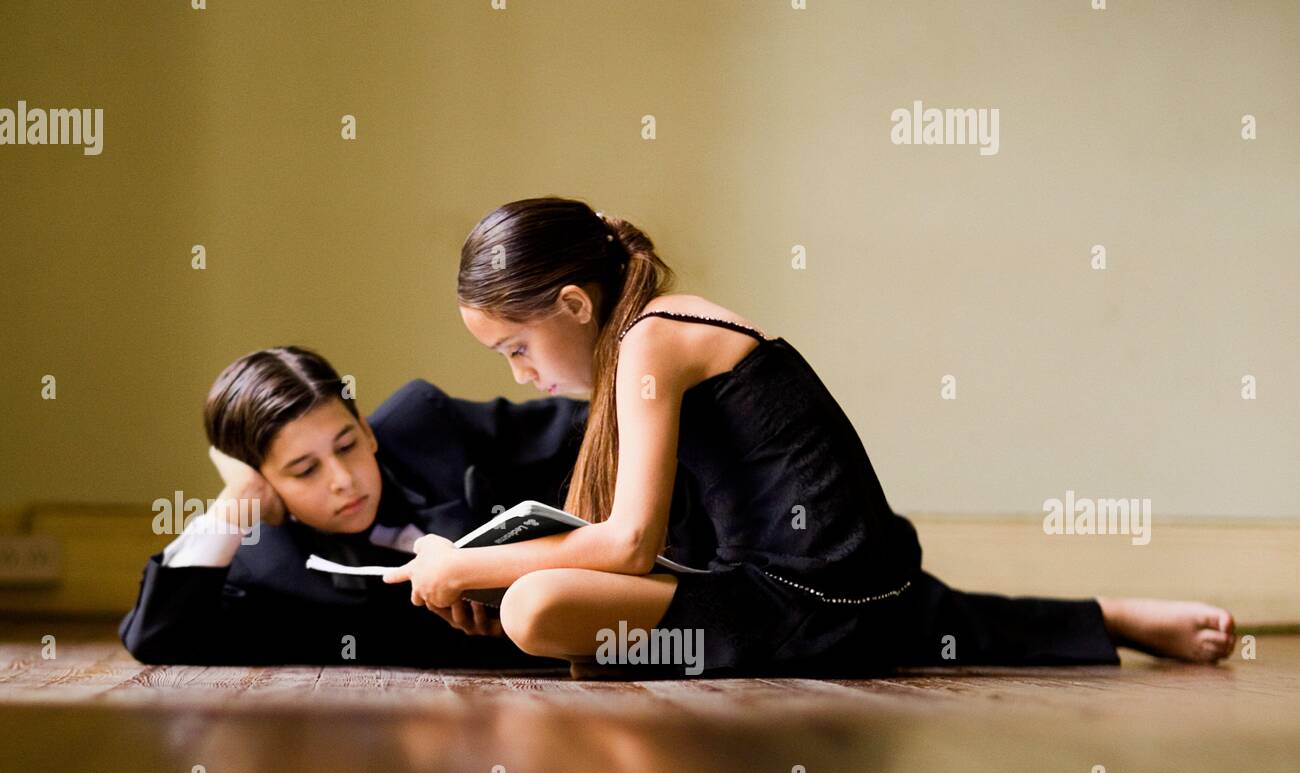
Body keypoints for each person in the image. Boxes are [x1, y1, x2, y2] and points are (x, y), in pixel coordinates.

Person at [383, 197, 1237, 677]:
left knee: (541, 602)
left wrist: (461, 563)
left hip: (817, 596)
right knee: (929, 620)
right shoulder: (647, 339)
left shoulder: (653, 338)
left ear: (574, 304)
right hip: (835, 584)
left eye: (517, 349)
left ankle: (1114, 619)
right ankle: (1116, 617)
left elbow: (629, 548)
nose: (520, 374)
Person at [118, 346, 589, 667]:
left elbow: (592, 426)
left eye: (346, 445)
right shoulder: (265, 563)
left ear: (366, 429)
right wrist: (235, 506)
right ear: (263, 481)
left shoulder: (426, 424)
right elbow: (158, 639)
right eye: (304, 471)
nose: (343, 481)